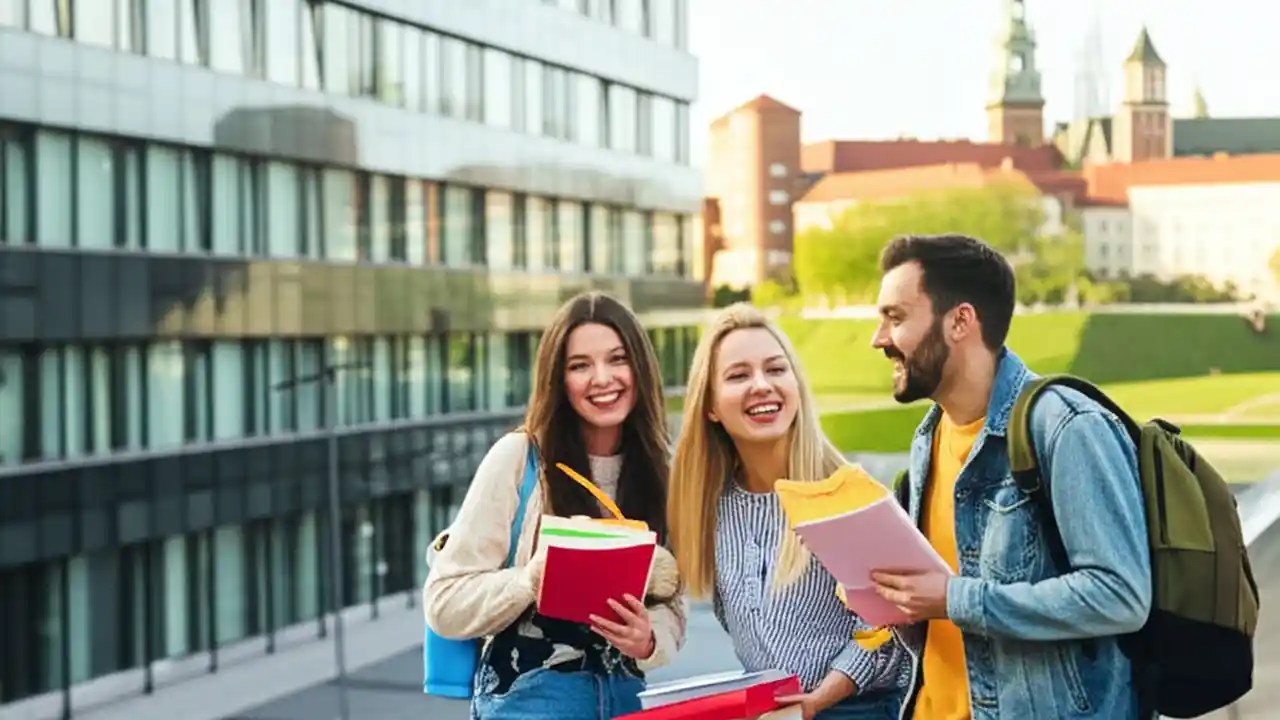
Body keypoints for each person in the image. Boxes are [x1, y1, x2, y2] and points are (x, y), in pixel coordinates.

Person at [866, 233, 1152, 719]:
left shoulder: (1065, 426)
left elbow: (1120, 596)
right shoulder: (928, 436)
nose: (879, 338)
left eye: (895, 317)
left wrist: (955, 598)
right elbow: (943, 614)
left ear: (960, 321)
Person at [424, 291, 686, 719]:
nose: (603, 378)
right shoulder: (518, 458)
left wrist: (649, 640)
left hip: (625, 699)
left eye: (618, 359)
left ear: (640, 368)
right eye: (580, 365)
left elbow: (674, 603)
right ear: (558, 380)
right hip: (528, 701)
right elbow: (444, 601)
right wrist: (529, 580)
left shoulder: (664, 470)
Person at [668, 303, 910, 720]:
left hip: (861, 711)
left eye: (776, 369)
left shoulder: (845, 492)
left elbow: (892, 632)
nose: (761, 385)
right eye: (738, 375)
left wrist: (818, 700)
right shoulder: (713, 507)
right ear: (710, 406)